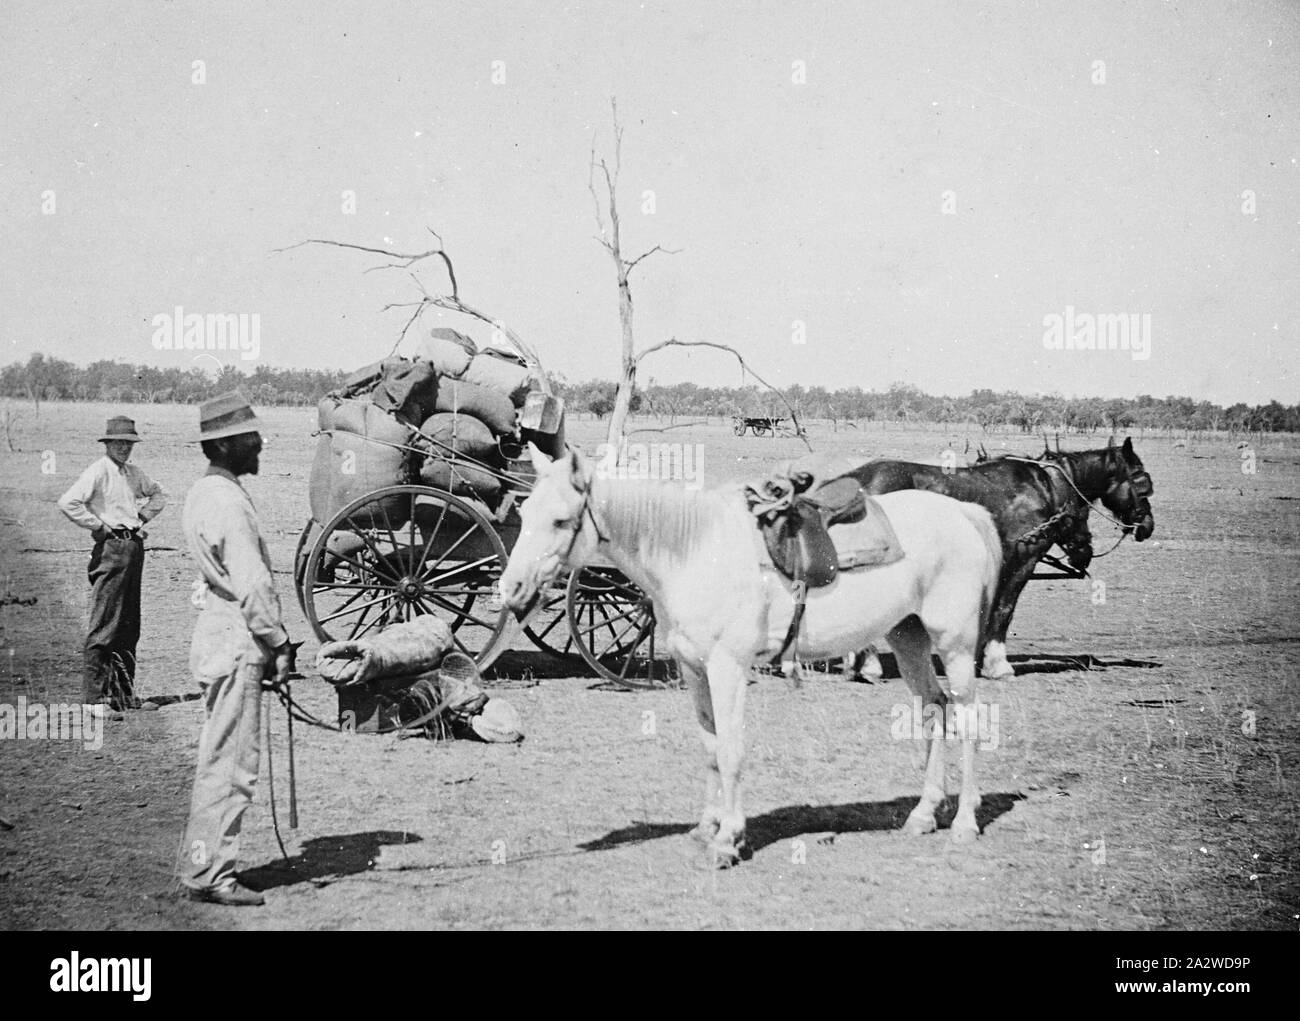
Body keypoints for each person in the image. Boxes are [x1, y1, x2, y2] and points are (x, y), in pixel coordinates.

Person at [178, 391, 291, 907]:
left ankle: (203, 866)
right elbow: (252, 585)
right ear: (224, 446)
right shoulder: (227, 502)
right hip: (239, 638)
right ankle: (213, 876)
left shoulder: (205, 492)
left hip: (217, 635)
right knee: (231, 765)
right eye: (250, 437)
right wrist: (280, 642)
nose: (259, 444)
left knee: (216, 757)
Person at [57, 415, 166, 709]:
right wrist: (97, 526)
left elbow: (158, 494)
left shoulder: (132, 473)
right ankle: (94, 699)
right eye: (119, 443)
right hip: (111, 548)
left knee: (129, 625)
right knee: (105, 622)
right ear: (108, 444)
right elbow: (68, 502)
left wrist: (141, 518)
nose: (124, 448)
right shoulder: (98, 471)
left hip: (133, 546)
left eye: (129, 443)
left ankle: (122, 694)